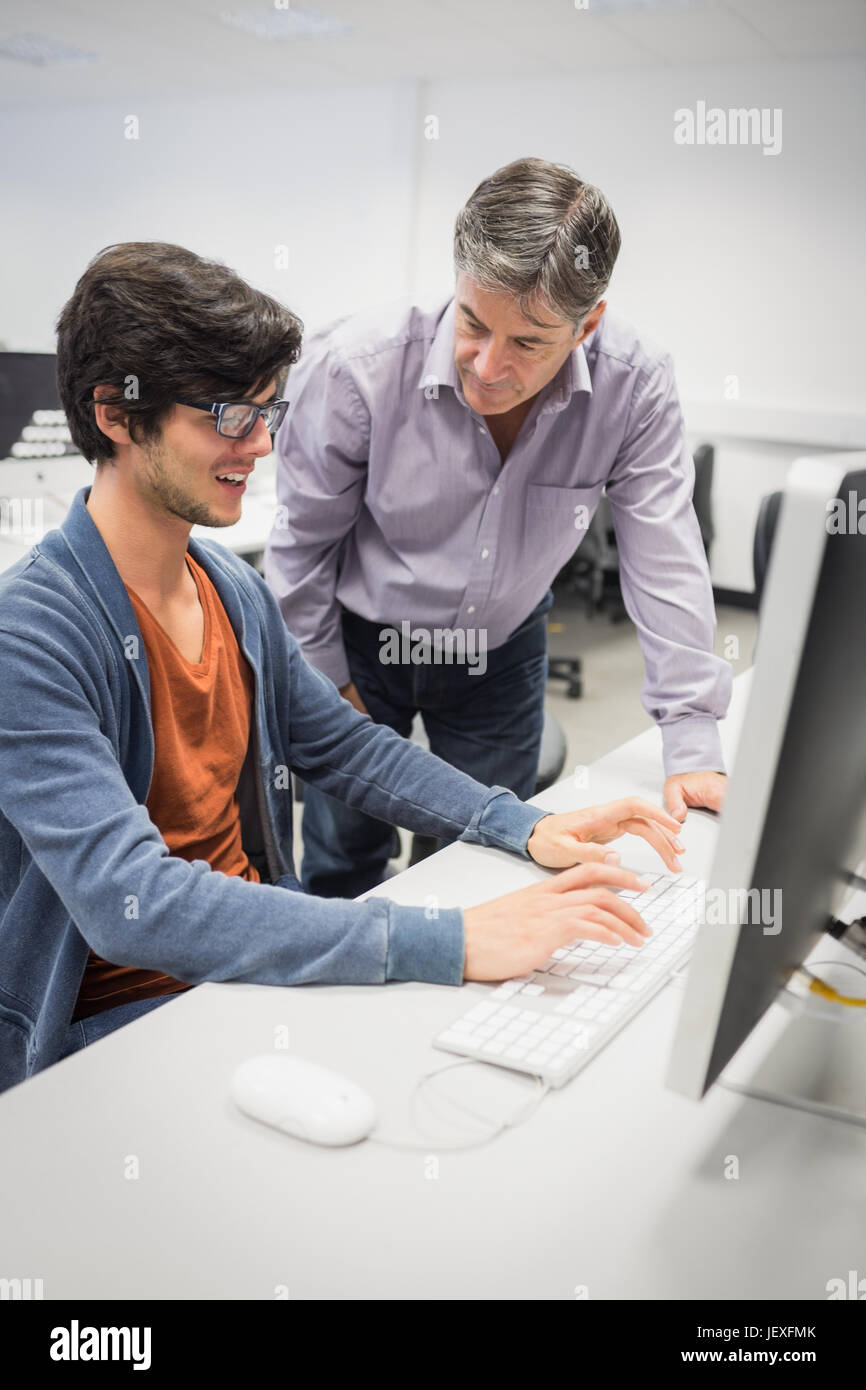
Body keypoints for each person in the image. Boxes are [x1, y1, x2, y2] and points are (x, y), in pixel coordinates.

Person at [0, 241, 685, 1093]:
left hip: (250, 976)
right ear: (115, 412)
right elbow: (132, 899)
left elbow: (346, 747)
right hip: (113, 1038)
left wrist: (520, 824)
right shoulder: (30, 633)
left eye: (267, 412)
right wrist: (451, 939)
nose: (259, 446)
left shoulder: (230, 589)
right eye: (226, 415)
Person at [265, 156, 732, 900]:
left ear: (590, 324)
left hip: (501, 653)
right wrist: (326, 688)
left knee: (479, 869)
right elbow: (300, 548)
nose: (487, 366)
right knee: (343, 863)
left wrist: (693, 743)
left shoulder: (633, 384)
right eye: (474, 323)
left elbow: (665, 554)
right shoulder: (359, 366)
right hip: (360, 642)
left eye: (528, 342)